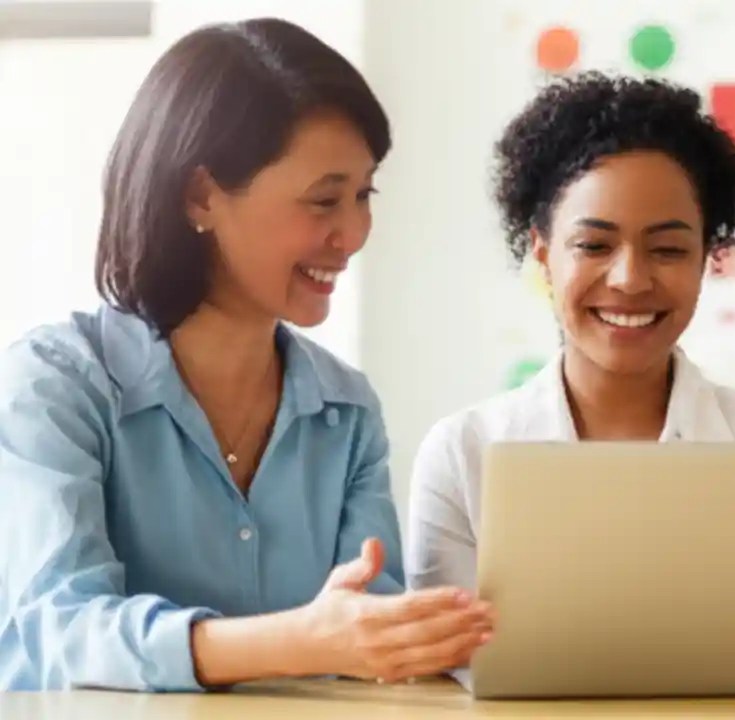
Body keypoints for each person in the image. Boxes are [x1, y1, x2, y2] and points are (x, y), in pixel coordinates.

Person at [0, 18, 491, 692]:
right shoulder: (56, 388)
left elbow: (369, 644)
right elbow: (61, 631)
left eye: (363, 195)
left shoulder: (346, 412)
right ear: (200, 196)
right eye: (324, 200)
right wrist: (297, 642)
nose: (353, 233)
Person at [406, 72, 735, 649]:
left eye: (668, 249)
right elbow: (446, 664)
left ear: (706, 259)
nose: (630, 279)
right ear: (543, 255)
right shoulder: (464, 453)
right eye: (594, 245)